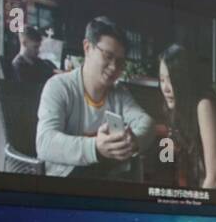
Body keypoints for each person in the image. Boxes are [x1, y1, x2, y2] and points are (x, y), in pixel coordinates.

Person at [35, 17, 154, 179]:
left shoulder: (119, 92)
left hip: (106, 178)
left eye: (120, 62)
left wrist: (133, 142)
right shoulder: (59, 87)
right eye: (107, 56)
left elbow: (146, 122)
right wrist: (95, 147)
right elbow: (45, 142)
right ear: (87, 47)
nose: (114, 67)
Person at [158, 43, 216, 190]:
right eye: (162, 80)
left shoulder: (204, 106)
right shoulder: (174, 108)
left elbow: (214, 179)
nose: (166, 88)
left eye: (172, 80)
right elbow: (169, 155)